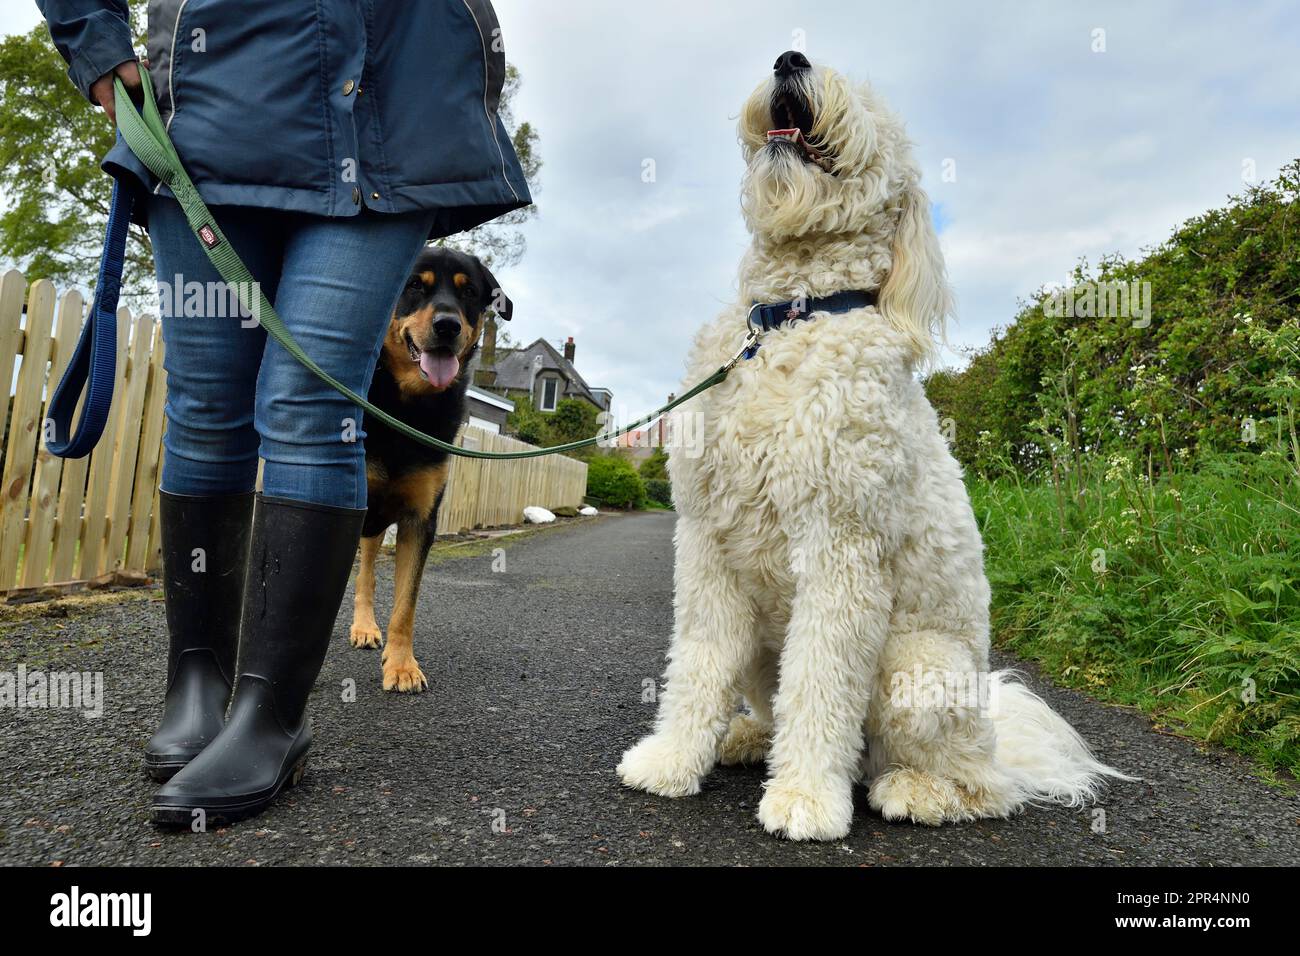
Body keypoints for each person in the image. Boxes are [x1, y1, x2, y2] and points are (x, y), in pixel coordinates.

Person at [36, 0, 530, 825]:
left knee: (309, 403)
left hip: (398, 112)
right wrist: (91, 36)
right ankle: (198, 680)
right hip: (217, 95)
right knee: (205, 405)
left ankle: (272, 716)